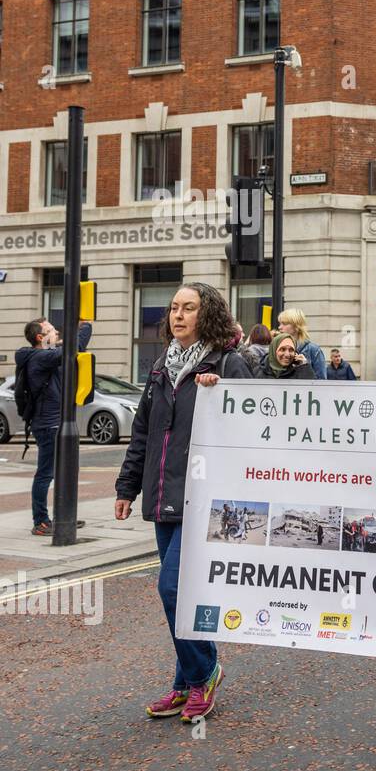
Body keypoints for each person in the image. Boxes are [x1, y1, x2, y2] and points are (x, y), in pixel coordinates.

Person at [115, 282, 252, 723]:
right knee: (184, 595)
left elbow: (256, 424)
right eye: (173, 308)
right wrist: (126, 485)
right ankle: (184, 684)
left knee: (173, 589)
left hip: (205, 499)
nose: (177, 315)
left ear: (206, 314)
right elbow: (142, 432)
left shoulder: (228, 363)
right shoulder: (161, 367)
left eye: (188, 308)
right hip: (163, 495)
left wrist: (222, 394)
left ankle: (204, 673)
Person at [15, 317, 92, 536]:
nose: (56, 332)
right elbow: (73, 349)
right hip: (48, 425)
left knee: (63, 472)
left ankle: (63, 516)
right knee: (46, 473)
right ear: (40, 337)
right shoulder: (39, 357)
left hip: (55, 422)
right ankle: (40, 521)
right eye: (51, 330)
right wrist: (85, 326)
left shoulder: (44, 356)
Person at [278, 308, 326, 379]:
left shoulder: (313, 350)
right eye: (280, 323)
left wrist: (305, 366)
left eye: (284, 324)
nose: (280, 327)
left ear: (296, 326)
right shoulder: (277, 348)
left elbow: (321, 382)